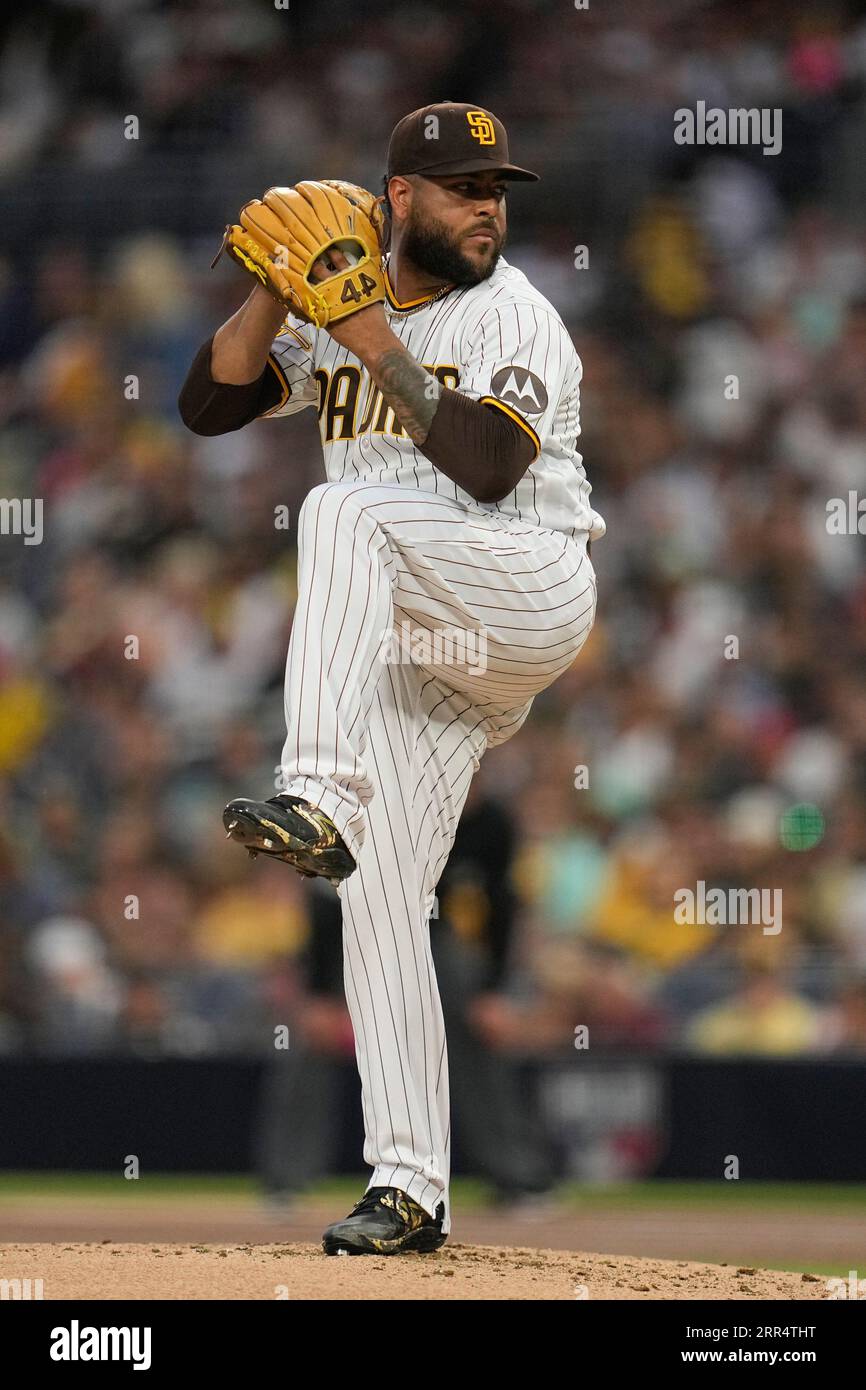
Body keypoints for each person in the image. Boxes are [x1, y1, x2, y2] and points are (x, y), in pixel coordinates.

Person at [179, 100, 604, 1255]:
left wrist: (362, 331)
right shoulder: (339, 304)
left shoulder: (514, 311)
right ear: (399, 199)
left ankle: (314, 786)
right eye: (466, 189)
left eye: (498, 190)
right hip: (429, 649)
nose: (488, 209)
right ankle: (409, 1187)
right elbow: (208, 402)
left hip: (524, 586)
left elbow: (482, 463)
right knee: (376, 897)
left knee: (340, 505)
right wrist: (274, 286)